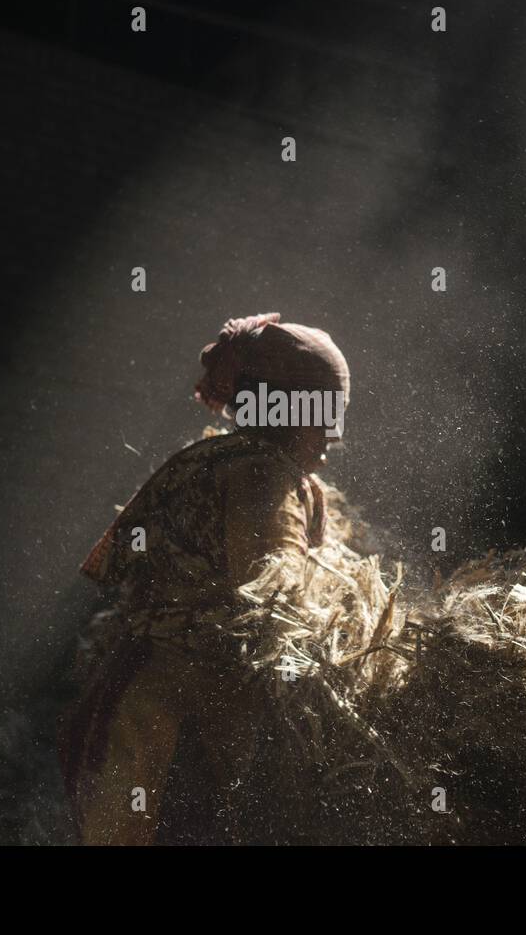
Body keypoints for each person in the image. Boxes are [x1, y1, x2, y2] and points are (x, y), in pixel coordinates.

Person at [61, 313, 350, 844]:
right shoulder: (264, 476)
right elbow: (279, 599)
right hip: (179, 722)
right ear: (286, 411)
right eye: (325, 416)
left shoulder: (210, 459)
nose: (332, 437)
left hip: (130, 698)